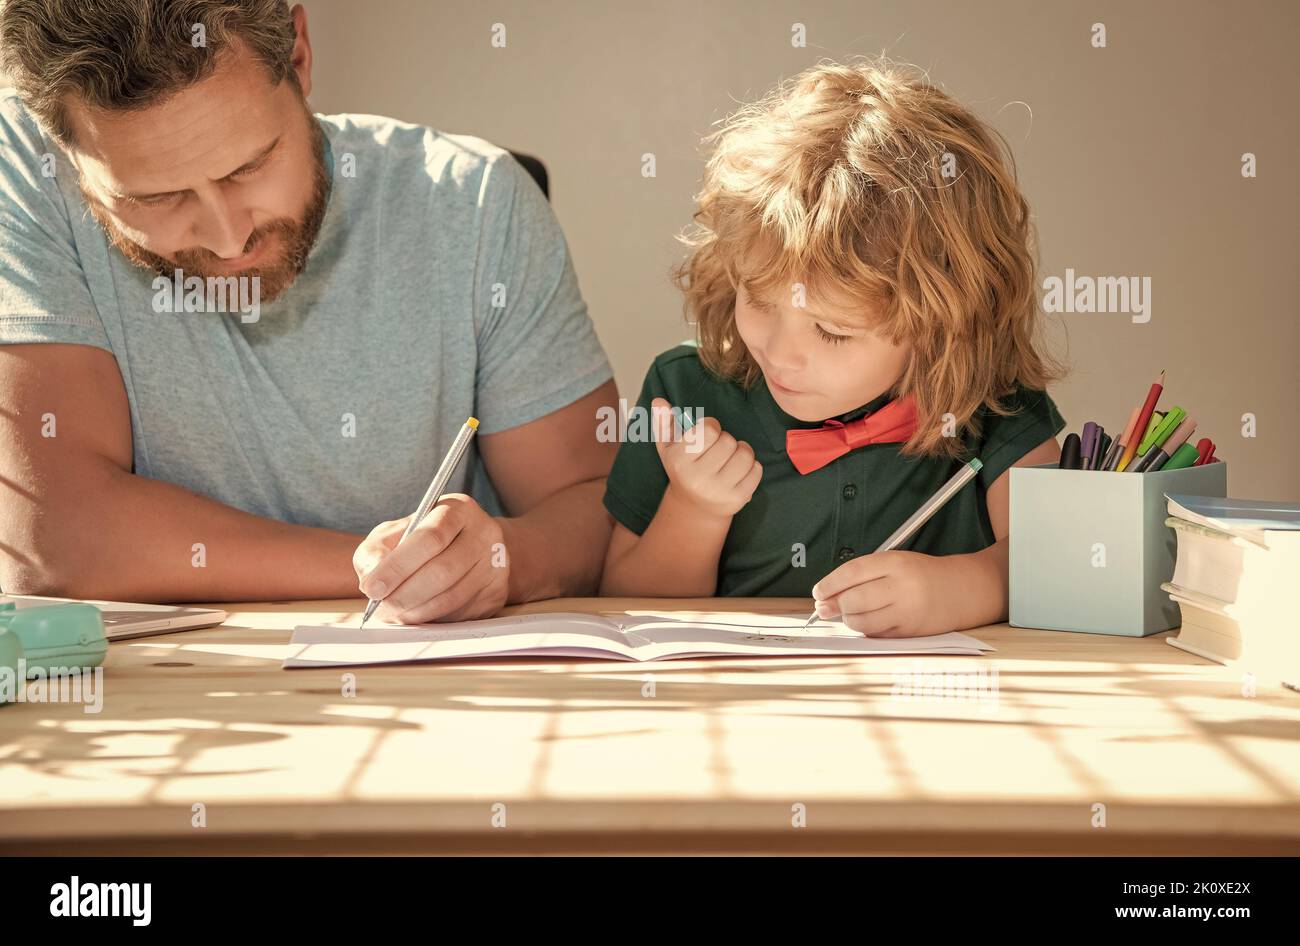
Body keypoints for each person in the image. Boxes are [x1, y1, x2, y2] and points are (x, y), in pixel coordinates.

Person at [0, 1, 618, 624]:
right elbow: (54, 540)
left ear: (298, 55)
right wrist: (387, 573)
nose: (226, 239)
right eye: (154, 197)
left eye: (249, 166)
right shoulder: (24, 167)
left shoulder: (477, 200)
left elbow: (597, 510)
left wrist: (500, 561)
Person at [600, 59, 1067, 637]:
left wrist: (965, 588)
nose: (781, 353)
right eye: (759, 301)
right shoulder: (685, 392)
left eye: (834, 332)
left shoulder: (995, 403)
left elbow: (1058, 562)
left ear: (944, 323)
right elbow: (622, 604)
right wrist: (695, 511)